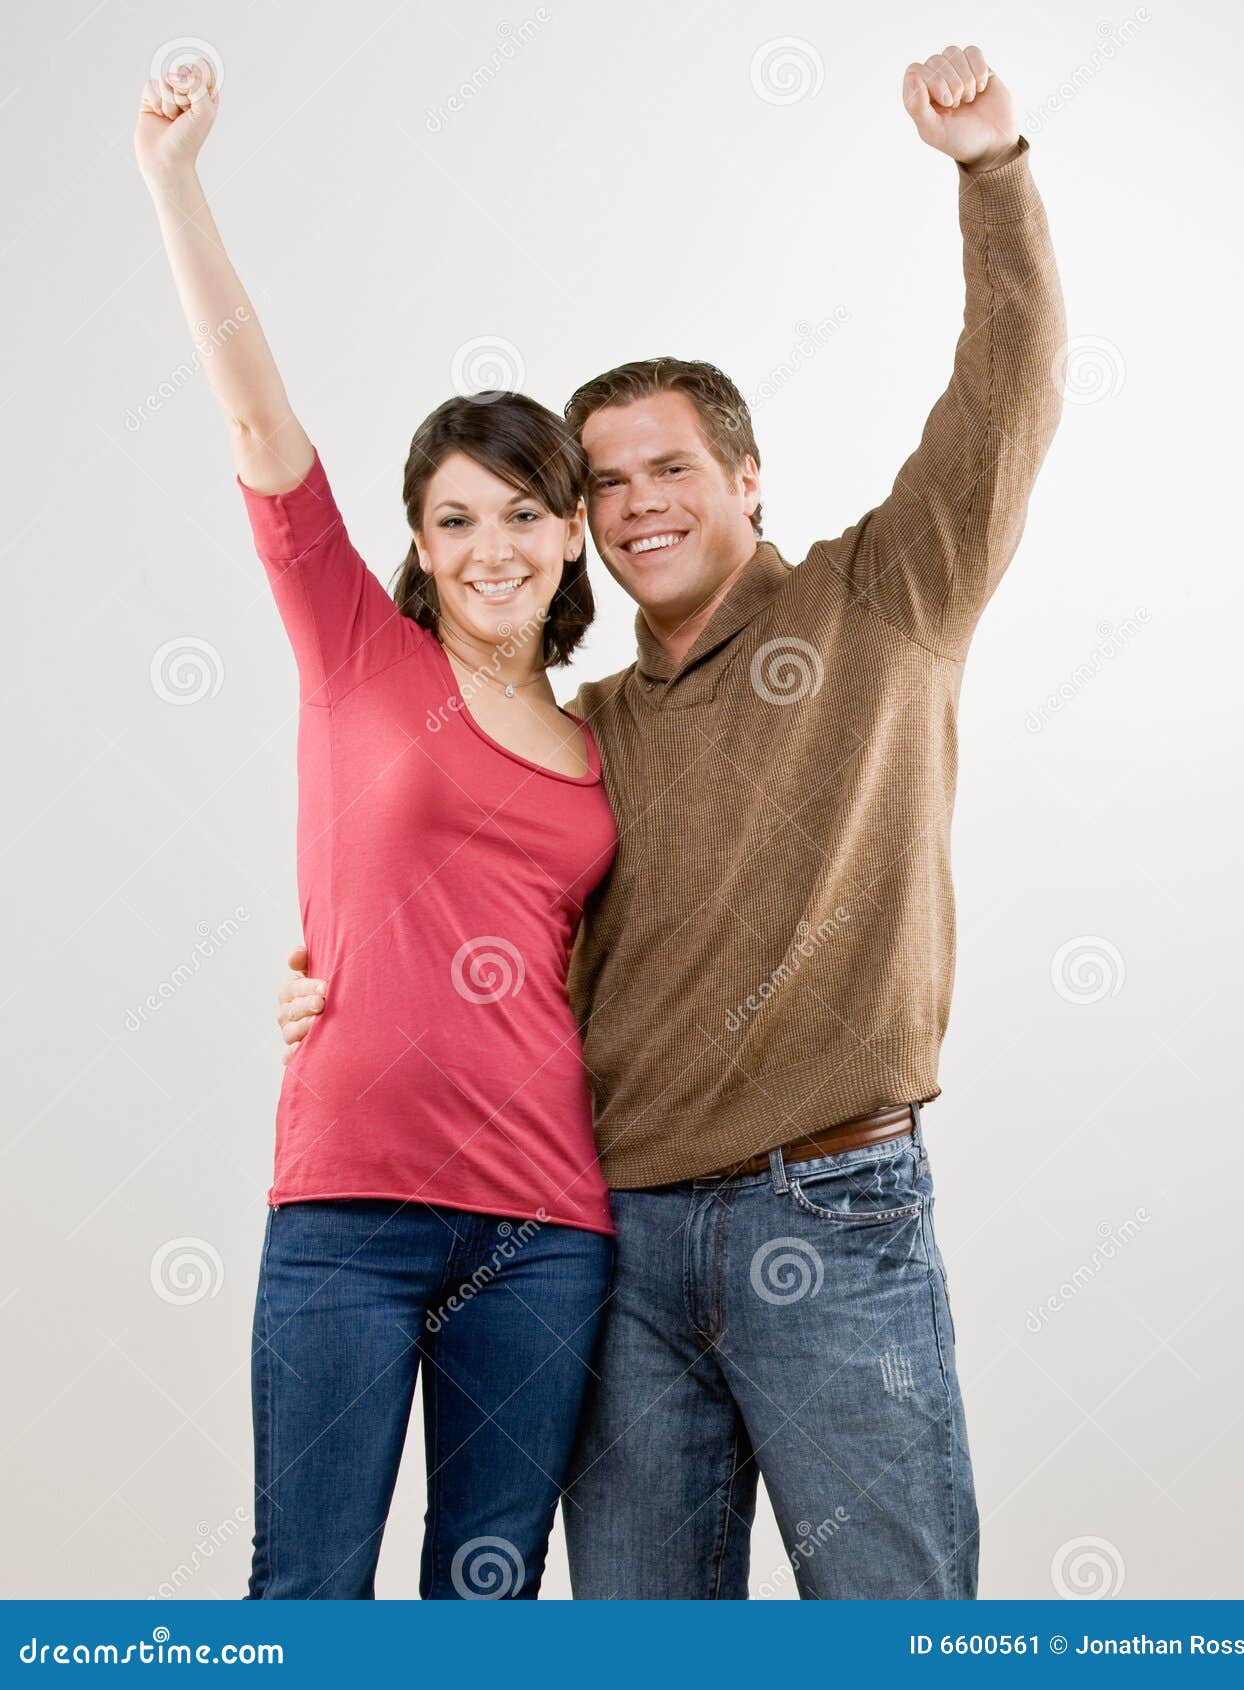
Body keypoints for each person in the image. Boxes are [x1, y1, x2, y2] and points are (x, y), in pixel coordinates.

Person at [279, 43, 1067, 1598]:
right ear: (577, 524)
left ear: (749, 479)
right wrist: (341, 980)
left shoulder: (883, 602)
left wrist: (995, 172)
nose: (641, 502)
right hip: (612, 1240)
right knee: (643, 1638)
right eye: (608, 482)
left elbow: (1007, 394)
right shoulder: (585, 740)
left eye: (674, 469)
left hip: (835, 1215)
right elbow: (482, 930)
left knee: (902, 1627)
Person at [136, 58, 619, 1599]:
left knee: (483, 1602)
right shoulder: (356, 648)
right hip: (344, 1207)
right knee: (309, 1590)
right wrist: (174, 179)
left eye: (524, 512)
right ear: (417, 540)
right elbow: (253, 403)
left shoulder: (615, 747)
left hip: (547, 1224)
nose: (492, 546)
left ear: (572, 534)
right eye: (456, 517)